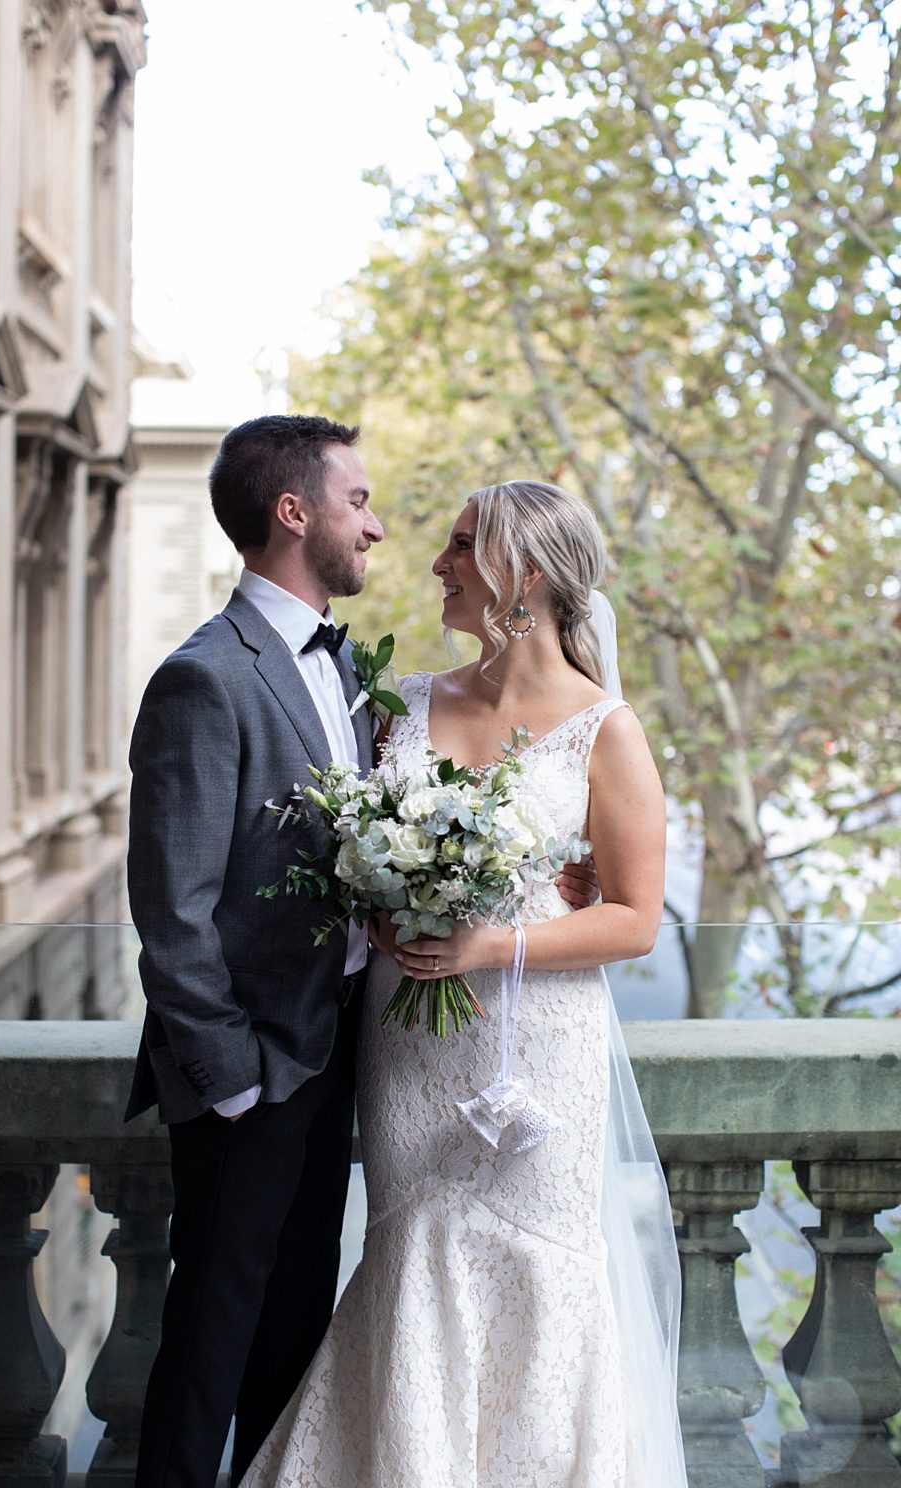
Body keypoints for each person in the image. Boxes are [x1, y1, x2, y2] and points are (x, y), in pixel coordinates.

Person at [242, 479, 687, 1487]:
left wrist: (495, 947)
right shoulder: (401, 703)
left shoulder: (603, 729)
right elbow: (349, 850)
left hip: (538, 1047)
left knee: (537, 1266)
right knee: (410, 1253)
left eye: (457, 547)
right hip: (406, 1039)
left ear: (519, 573)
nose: (434, 563)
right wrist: (371, 894)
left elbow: (632, 917)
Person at [125, 414, 383, 1488]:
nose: (373, 525)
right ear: (294, 513)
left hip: (333, 1057)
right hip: (250, 1079)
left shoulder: (350, 670)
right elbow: (171, 913)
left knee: (297, 1324)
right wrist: (233, 1084)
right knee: (210, 1337)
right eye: (356, 500)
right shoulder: (204, 678)